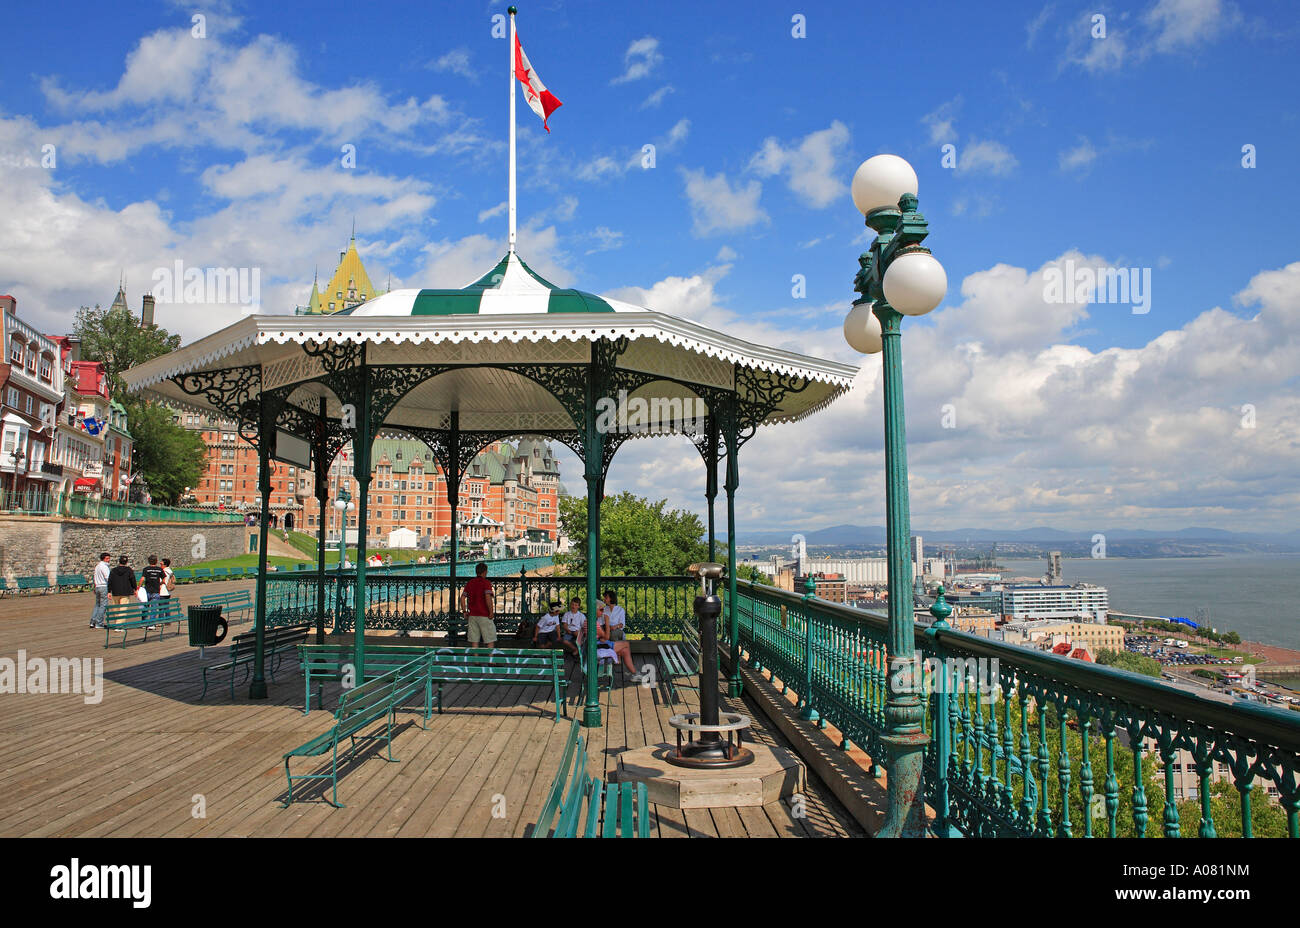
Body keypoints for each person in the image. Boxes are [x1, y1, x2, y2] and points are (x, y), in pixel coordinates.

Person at [597, 602, 640, 677]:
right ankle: (634, 672)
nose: (603, 612)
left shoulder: (591, 621)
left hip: (599, 644)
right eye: (601, 610)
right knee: (626, 644)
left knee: (625, 650)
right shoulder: (594, 623)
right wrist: (607, 623)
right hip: (598, 648)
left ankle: (634, 673)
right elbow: (606, 636)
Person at [459, 562, 495, 647]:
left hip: (472, 615)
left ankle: (476, 660)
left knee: (474, 640)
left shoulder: (470, 583)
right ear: (485, 572)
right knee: (490, 639)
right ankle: (490, 659)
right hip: (484, 615)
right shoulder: (486, 583)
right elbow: (488, 598)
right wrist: (491, 612)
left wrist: (464, 611)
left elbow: (462, 598)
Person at [90, 552, 111, 628]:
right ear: (104, 559)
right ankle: (99, 622)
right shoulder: (104, 566)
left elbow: (95, 577)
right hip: (103, 586)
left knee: (97, 605)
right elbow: (108, 578)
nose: (108, 560)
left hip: (98, 586)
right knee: (103, 605)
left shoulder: (97, 566)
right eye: (107, 558)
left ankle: (93, 621)